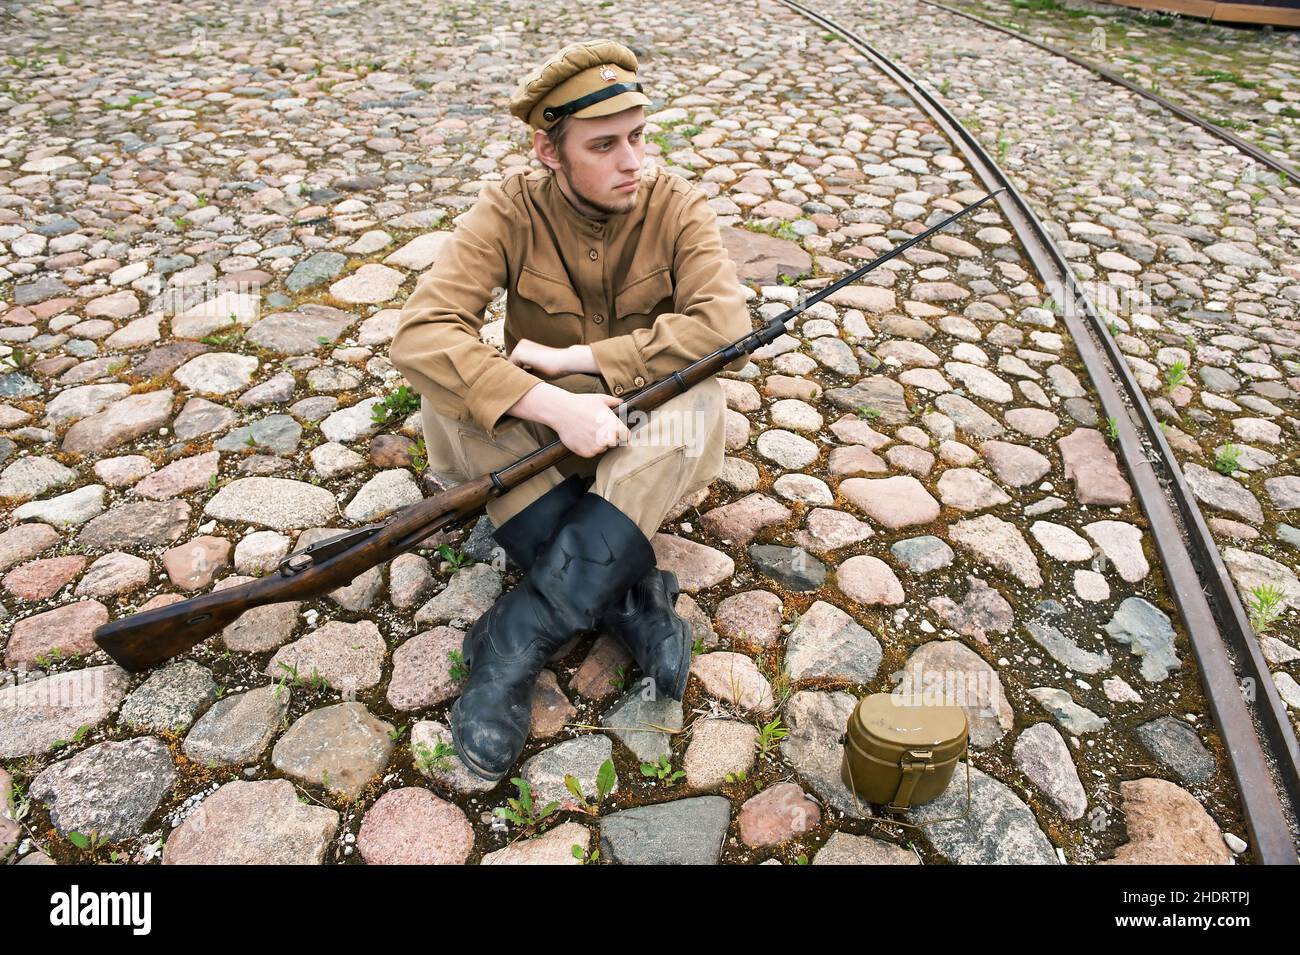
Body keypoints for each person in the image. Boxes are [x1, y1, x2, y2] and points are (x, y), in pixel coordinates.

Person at [389, 40, 752, 782]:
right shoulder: (509, 207)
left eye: (639, 136)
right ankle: (627, 597)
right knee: (444, 396)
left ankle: (515, 634)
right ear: (548, 150)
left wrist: (579, 362)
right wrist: (548, 400)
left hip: (634, 443)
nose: (633, 161)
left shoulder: (675, 204)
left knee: (703, 397)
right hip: (535, 442)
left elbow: (725, 329)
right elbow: (421, 333)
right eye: (605, 145)